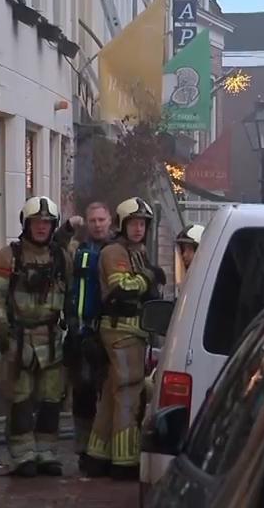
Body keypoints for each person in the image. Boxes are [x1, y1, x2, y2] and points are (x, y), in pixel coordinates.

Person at [0, 196, 74, 478]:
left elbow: (72, 296)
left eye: (47, 223)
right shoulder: (7, 256)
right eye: (36, 222)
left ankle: (47, 453)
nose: (41, 227)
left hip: (52, 340)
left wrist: (75, 327)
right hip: (18, 339)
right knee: (20, 400)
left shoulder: (62, 257)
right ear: (26, 224)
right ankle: (23, 456)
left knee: (51, 400)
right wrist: (0, 327)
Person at [84, 197, 164, 480]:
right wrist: (148, 277)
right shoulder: (114, 252)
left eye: (143, 223)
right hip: (121, 329)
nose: (139, 228)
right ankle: (124, 461)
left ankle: (97, 455)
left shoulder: (137, 251)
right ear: (122, 225)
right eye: (134, 223)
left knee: (112, 392)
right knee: (129, 391)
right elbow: (123, 288)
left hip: (133, 329)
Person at [64, 201, 113, 472]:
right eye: (92, 220)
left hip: (107, 332)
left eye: (101, 220)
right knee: (82, 393)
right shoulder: (76, 250)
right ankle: (84, 448)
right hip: (79, 332)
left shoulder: (118, 250)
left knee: (107, 393)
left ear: (110, 221)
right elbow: (52, 250)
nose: (97, 224)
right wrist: (67, 228)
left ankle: (103, 448)